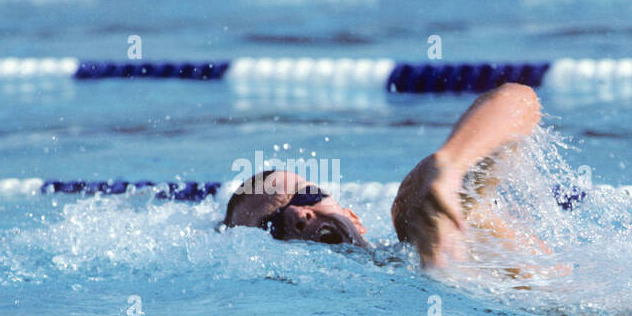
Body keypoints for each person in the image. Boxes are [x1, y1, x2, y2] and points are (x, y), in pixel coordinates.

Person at [221, 82, 543, 268]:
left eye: (305, 196)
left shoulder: (418, 233)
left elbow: (520, 100)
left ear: (353, 217)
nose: (298, 213)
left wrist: (451, 164)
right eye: (272, 225)